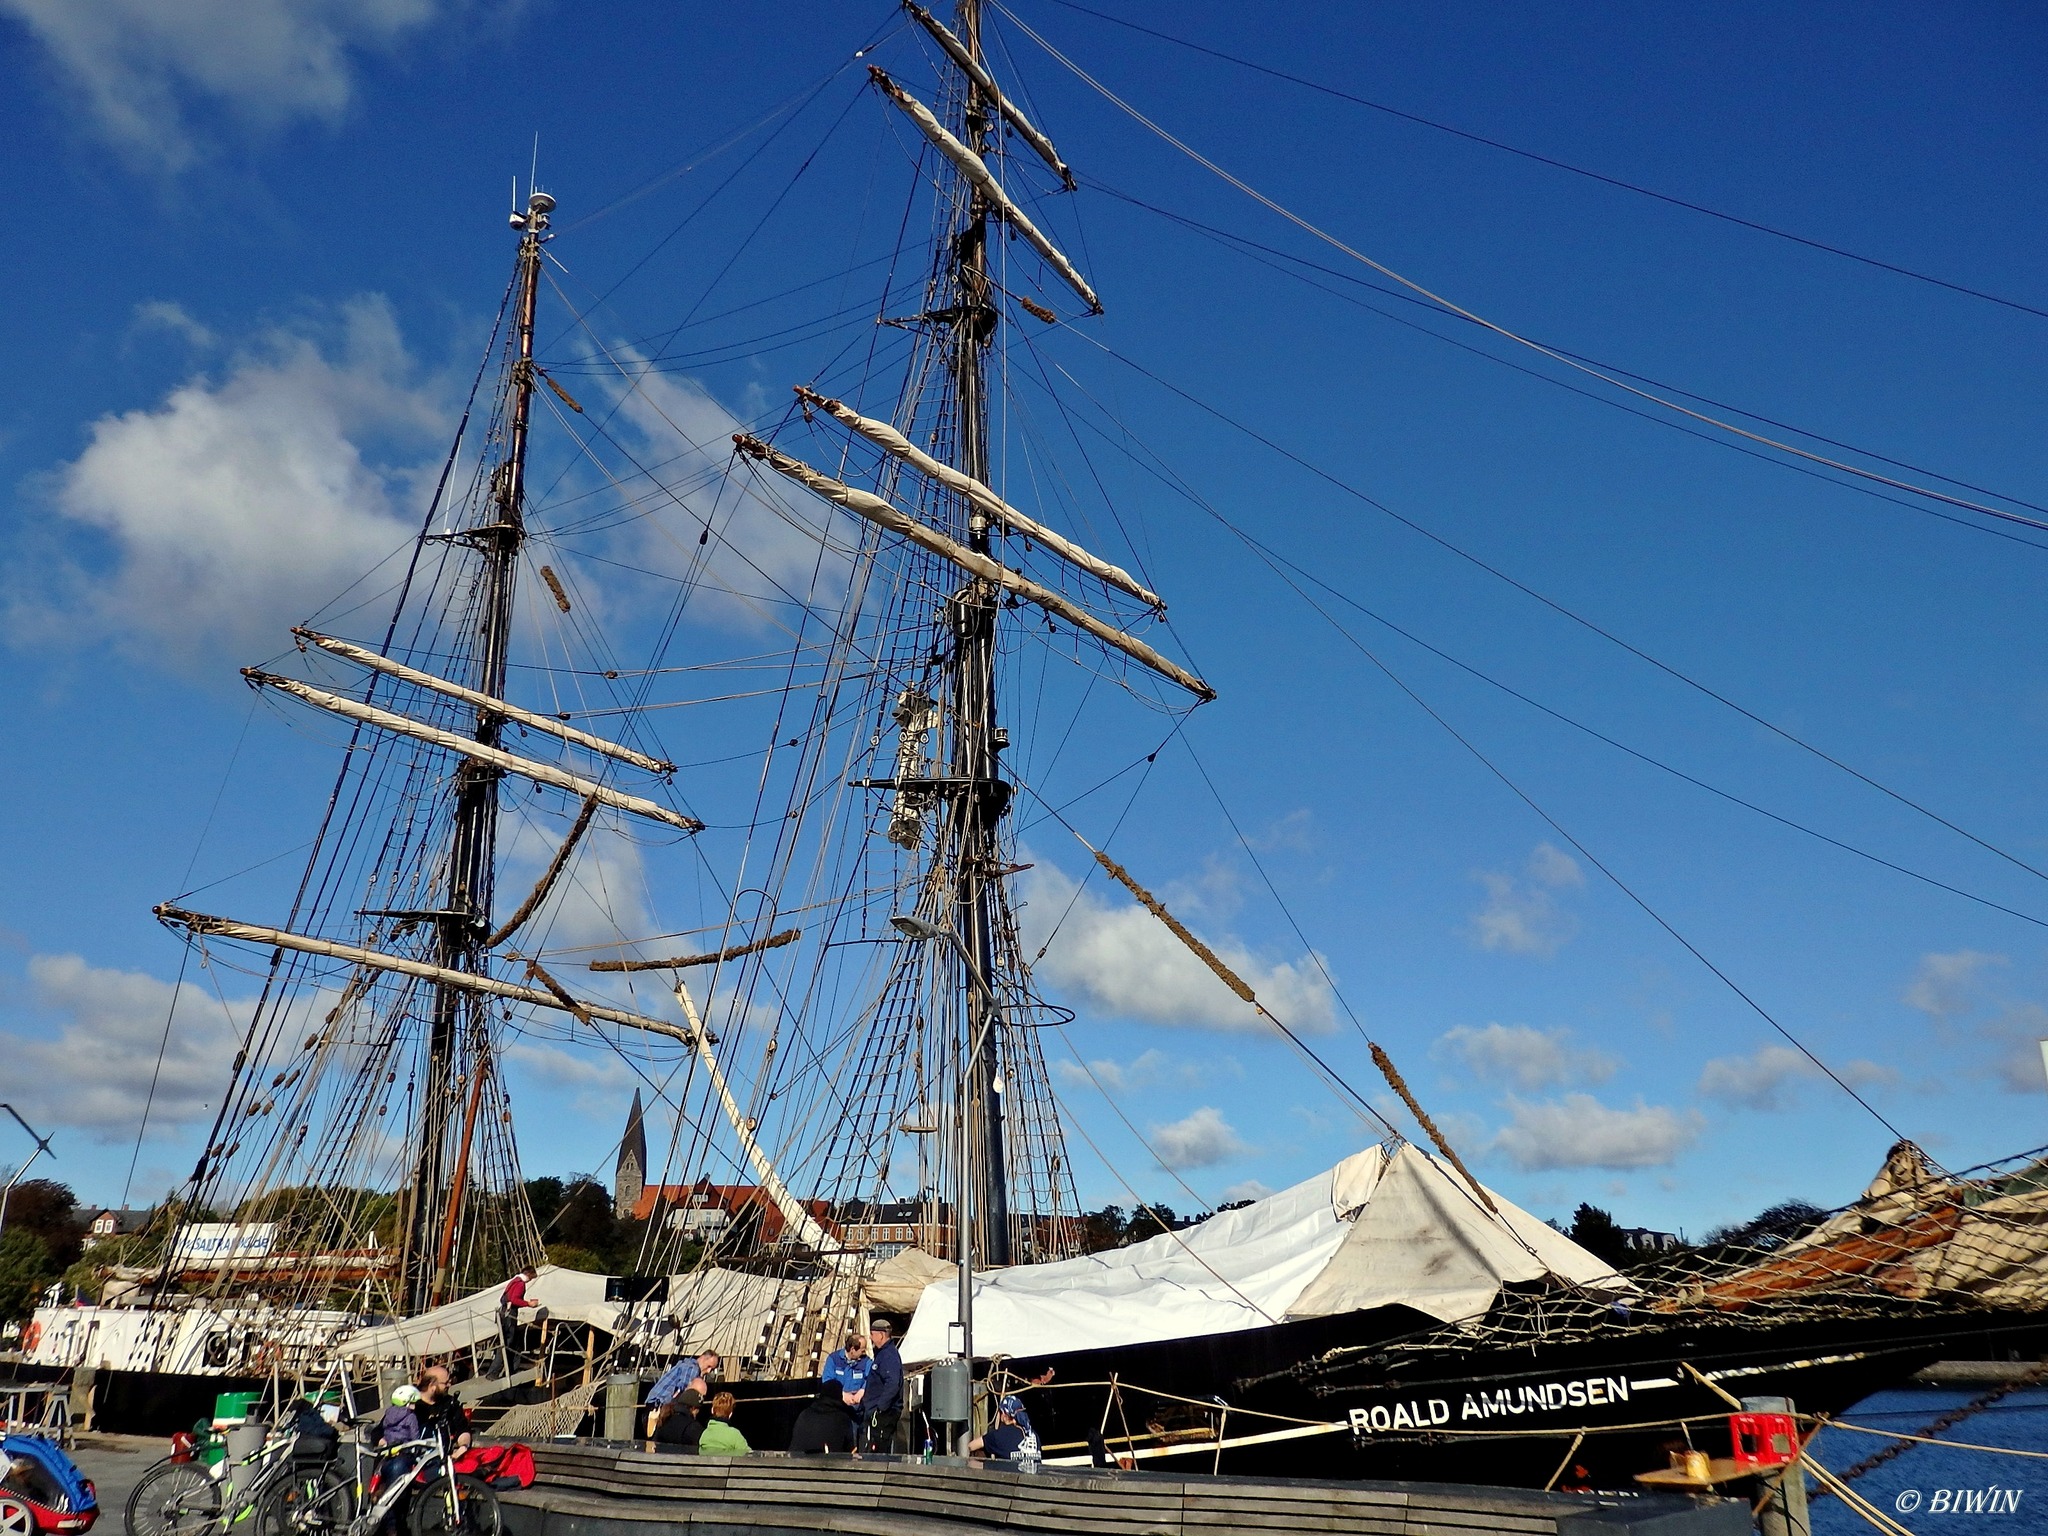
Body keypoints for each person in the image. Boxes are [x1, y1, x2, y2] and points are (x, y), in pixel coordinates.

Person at [646, 1350, 721, 1437]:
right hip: (660, 1404)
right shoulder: (693, 1369)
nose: (708, 1371)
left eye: (712, 1369)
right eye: (709, 1366)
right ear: (703, 1358)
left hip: (653, 1401)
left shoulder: (686, 1364)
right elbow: (684, 1391)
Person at [861, 1320, 903, 1452]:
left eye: (872, 1334)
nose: (871, 1338)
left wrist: (880, 1408)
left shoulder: (888, 1355)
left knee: (878, 1450)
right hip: (877, 1412)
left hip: (883, 1414)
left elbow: (893, 1382)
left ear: (881, 1335)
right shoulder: (881, 1354)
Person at [786, 1379, 856, 1455]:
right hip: (828, 1464)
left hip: (796, 1462)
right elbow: (849, 1451)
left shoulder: (804, 1414)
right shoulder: (842, 1419)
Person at [968, 1396, 1038, 1463]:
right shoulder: (1034, 1435)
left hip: (1009, 1475)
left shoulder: (998, 1436)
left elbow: (971, 1446)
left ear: (1004, 1415)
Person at [822, 1331, 871, 1413]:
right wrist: (842, 1395)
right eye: (862, 1350)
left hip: (856, 1410)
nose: (864, 1353)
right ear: (852, 1349)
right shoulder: (834, 1359)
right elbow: (827, 1381)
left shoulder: (866, 1362)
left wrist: (862, 1391)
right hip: (836, 1409)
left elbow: (872, 1379)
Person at [697, 1392, 750, 1457]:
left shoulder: (704, 1434)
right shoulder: (734, 1435)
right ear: (730, 1414)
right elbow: (749, 1455)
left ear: (712, 1410)